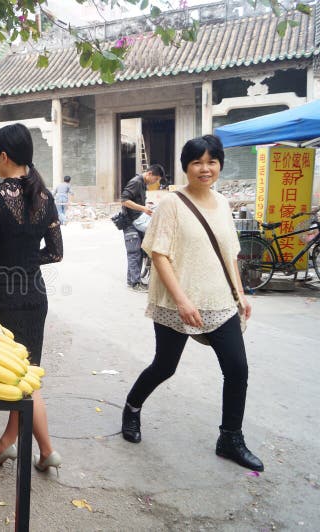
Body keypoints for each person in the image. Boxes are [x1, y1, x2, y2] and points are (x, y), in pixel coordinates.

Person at [121, 135, 263, 472]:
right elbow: (158, 254)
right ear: (185, 166)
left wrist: (240, 293)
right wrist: (182, 300)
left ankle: (230, 438)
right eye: (197, 162)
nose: (205, 168)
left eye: (212, 161)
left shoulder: (223, 203)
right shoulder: (171, 204)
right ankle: (132, 407)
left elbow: (230, 254)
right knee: (165, 366)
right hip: (176, 302)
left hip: (219, 300)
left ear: (219, 165)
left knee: (237, 368)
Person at [0, 123, 64, 474]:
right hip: (35, 297)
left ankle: (18, 444)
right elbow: (55, 253)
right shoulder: (44, 197)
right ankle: (35, 448)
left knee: (22, 377)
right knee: (26, 373)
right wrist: (25, 260)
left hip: (3, 299)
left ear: (4, 156)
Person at [120, 164, 164, 291]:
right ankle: (135, 284)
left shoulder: (142, 183)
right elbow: (124, 200)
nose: (155, 182)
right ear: (149, 174)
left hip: (135, 220)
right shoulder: (136, 182)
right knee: (134, 253)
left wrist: (146, 206)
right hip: (130, 222)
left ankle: (132, 280)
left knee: (137, 252)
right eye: (155, 179)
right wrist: (143, 208)